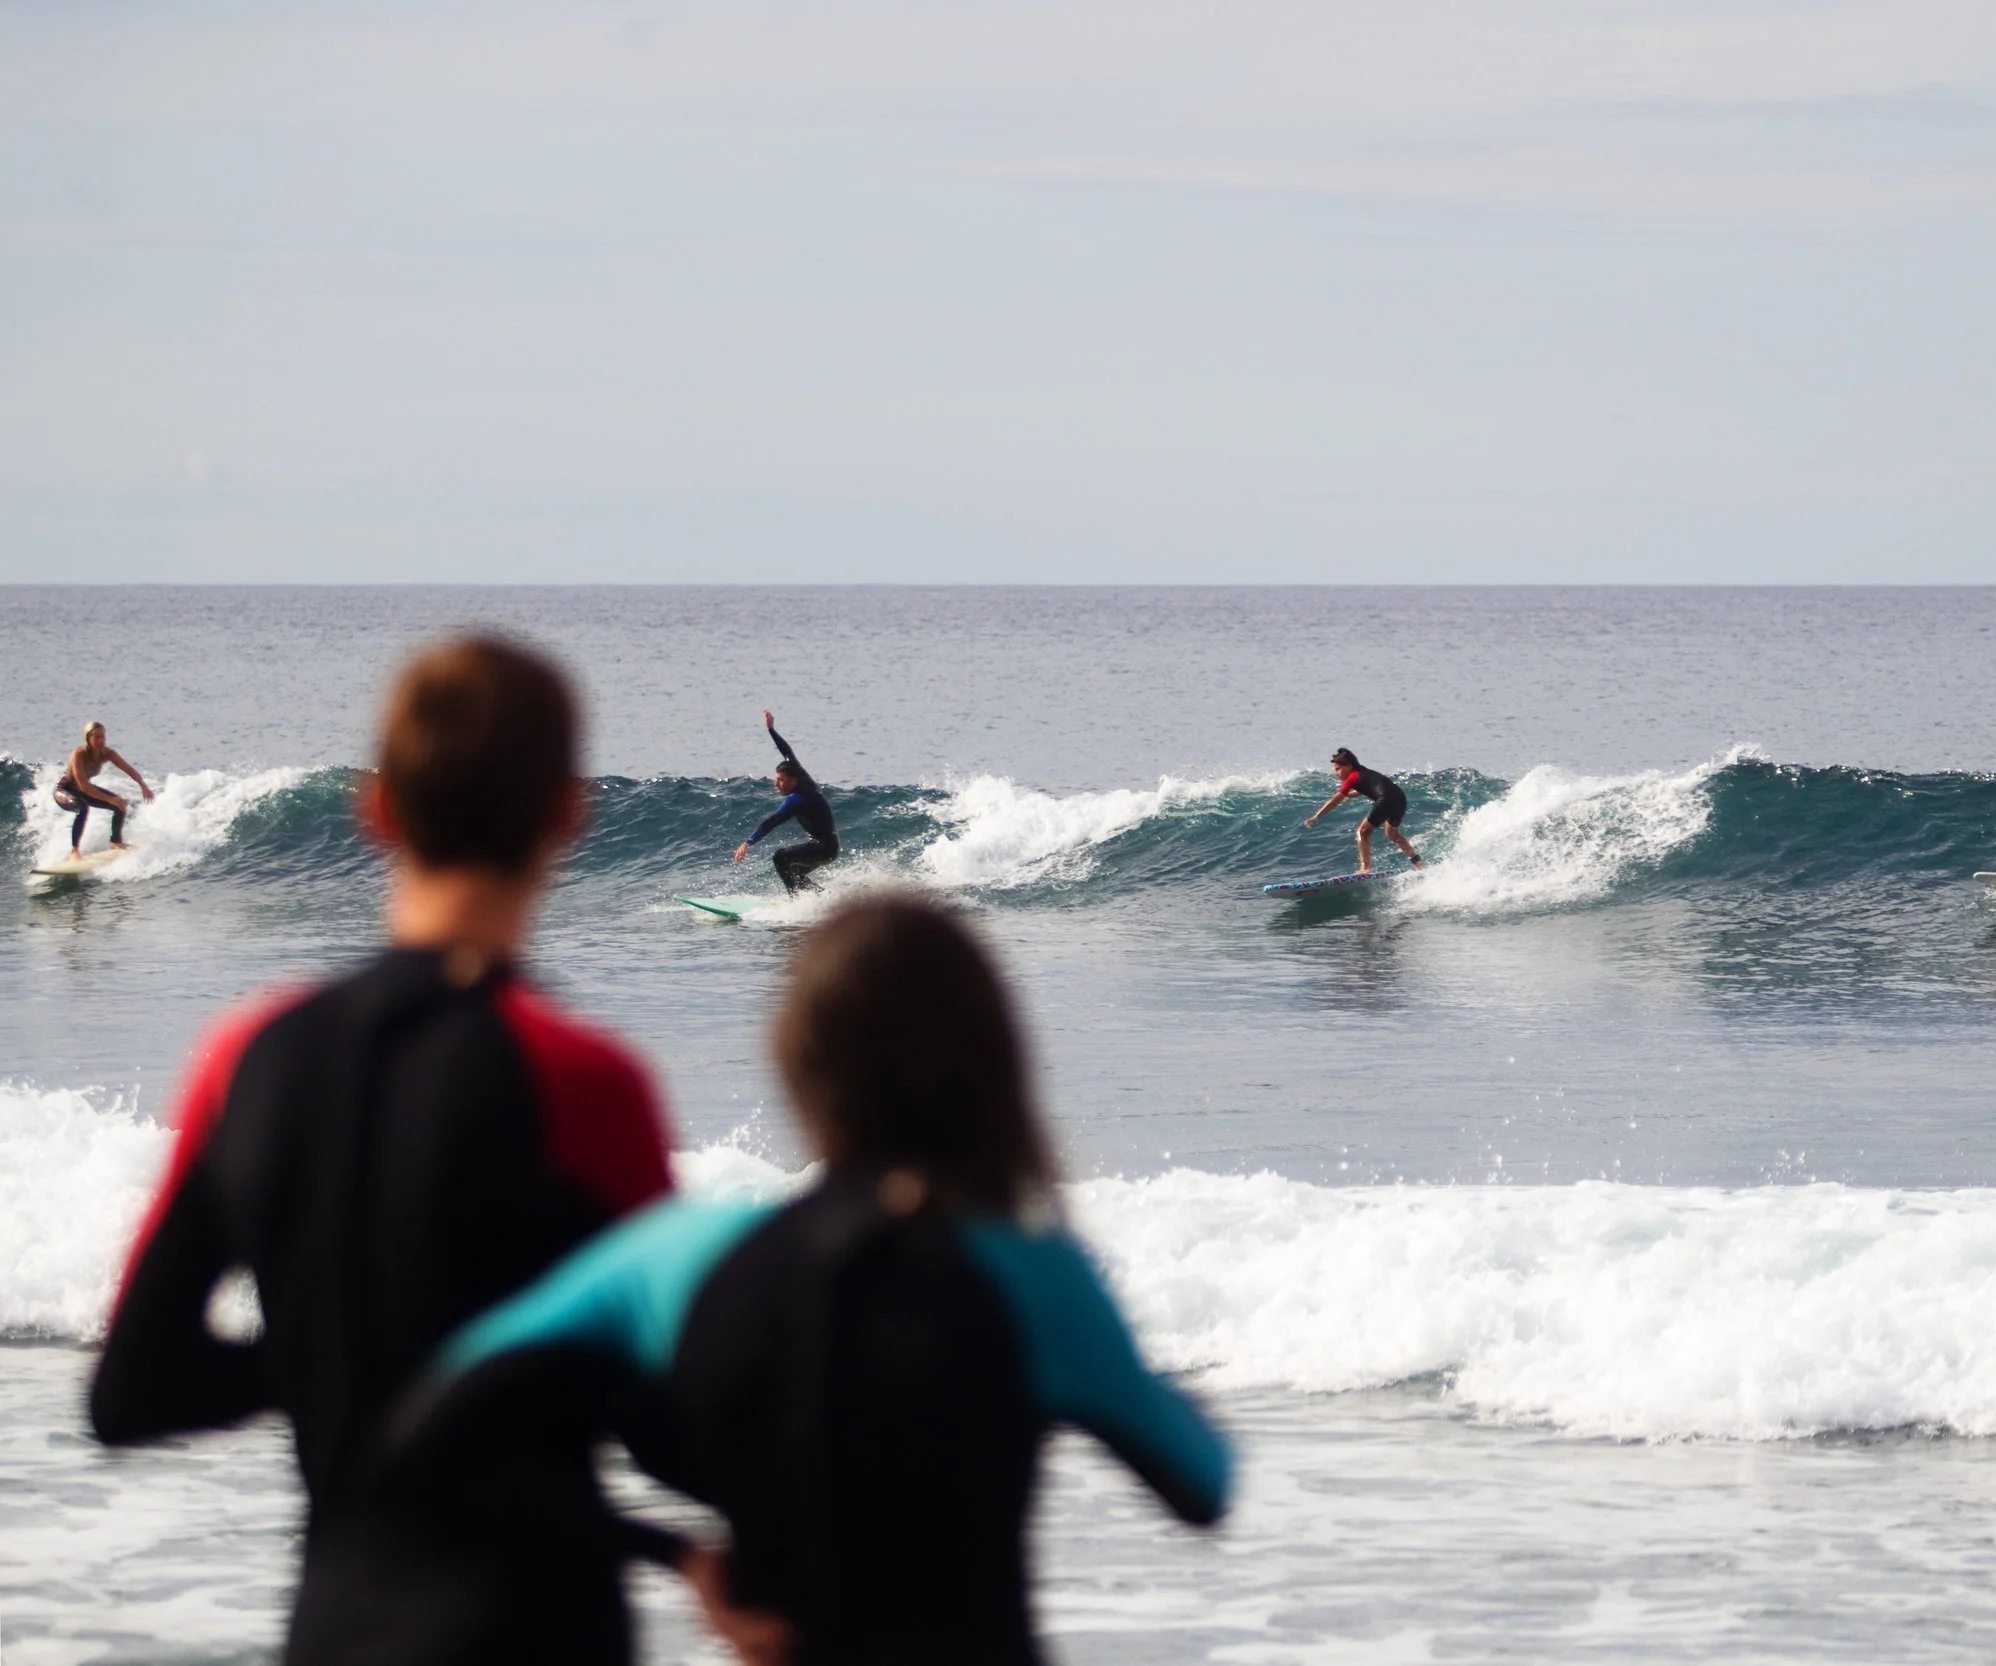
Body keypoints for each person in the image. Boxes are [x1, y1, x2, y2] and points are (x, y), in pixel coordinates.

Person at [395, 897, 1232, 1666]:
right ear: (993, 1063)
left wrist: (676, 1554)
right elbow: (1202, 1484)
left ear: (797, 1057)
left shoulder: (681, 1258)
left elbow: (427, 1431)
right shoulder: (1030, 1271)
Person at [89, 636, 678, 1666]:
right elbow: (673, 1423)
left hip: (338, 1628)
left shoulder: (249, 1059)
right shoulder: (584, 1081)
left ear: (376, 812)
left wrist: (325, 1361)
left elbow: (133, 1390)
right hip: (545, 1630)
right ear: (568, 816)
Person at [733, 709, 838, 893]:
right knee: (794, 872)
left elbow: (771, 822)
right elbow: (787, 751)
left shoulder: (797, 800)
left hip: (823, 847)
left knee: (780, 858)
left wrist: (748, 842)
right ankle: (823, 897)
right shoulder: (801, 776)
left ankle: (795, 900)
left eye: (780, 780)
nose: (776, 784)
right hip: (830, 847)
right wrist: (771, 730)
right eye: (776, 779)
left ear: (792, 780)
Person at [1304, 747, 1424, 873]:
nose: (1336, 773)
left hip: (1386, 798)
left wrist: (1316, 816)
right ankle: (1417, 861)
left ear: (1348, 766)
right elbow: (1367, 788)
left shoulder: (1353, 777)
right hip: (1399, 798)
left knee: (1362, 832)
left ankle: (1365, 868)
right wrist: (1348, 795)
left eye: (1338, 769)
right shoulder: (1362, 772)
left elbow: (1336, 799)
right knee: (1392, 833)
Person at [54, 720, 152, 855]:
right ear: (88, 738)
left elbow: (129, 770)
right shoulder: (79, 754)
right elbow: (84, 786)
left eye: (103, 736)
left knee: (119, 805)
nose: (101, 740)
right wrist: (111, 799)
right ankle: (74, 851)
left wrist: (143, 786)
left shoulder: (107, 753)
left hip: (83, 790)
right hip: (65, 790)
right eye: (97, 737)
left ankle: (116, 842)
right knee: (83, 808)